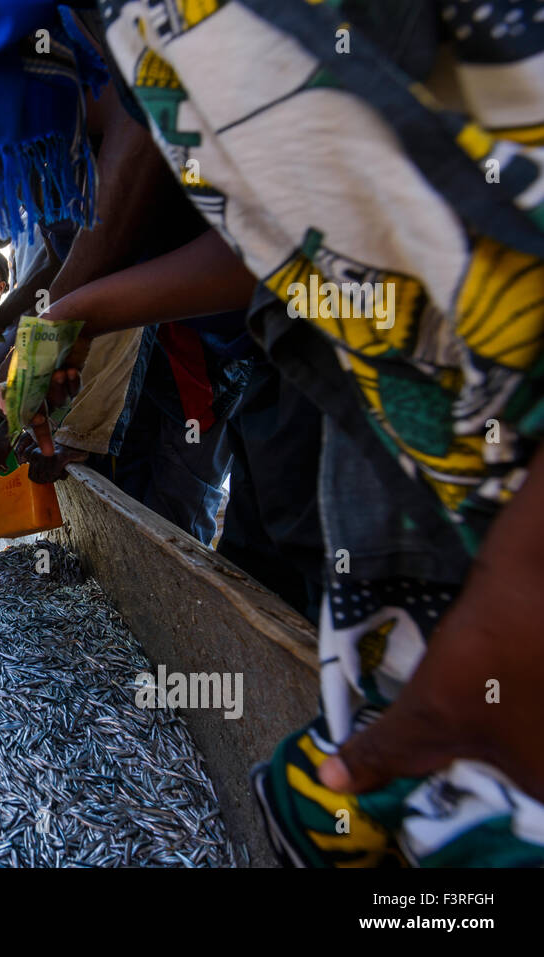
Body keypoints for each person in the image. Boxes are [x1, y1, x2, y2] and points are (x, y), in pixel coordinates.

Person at [87, 0, 544, 865]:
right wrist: (78, 313)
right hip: (418, 535)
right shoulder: (156, 36)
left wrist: (519, 596)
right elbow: (282, 241)